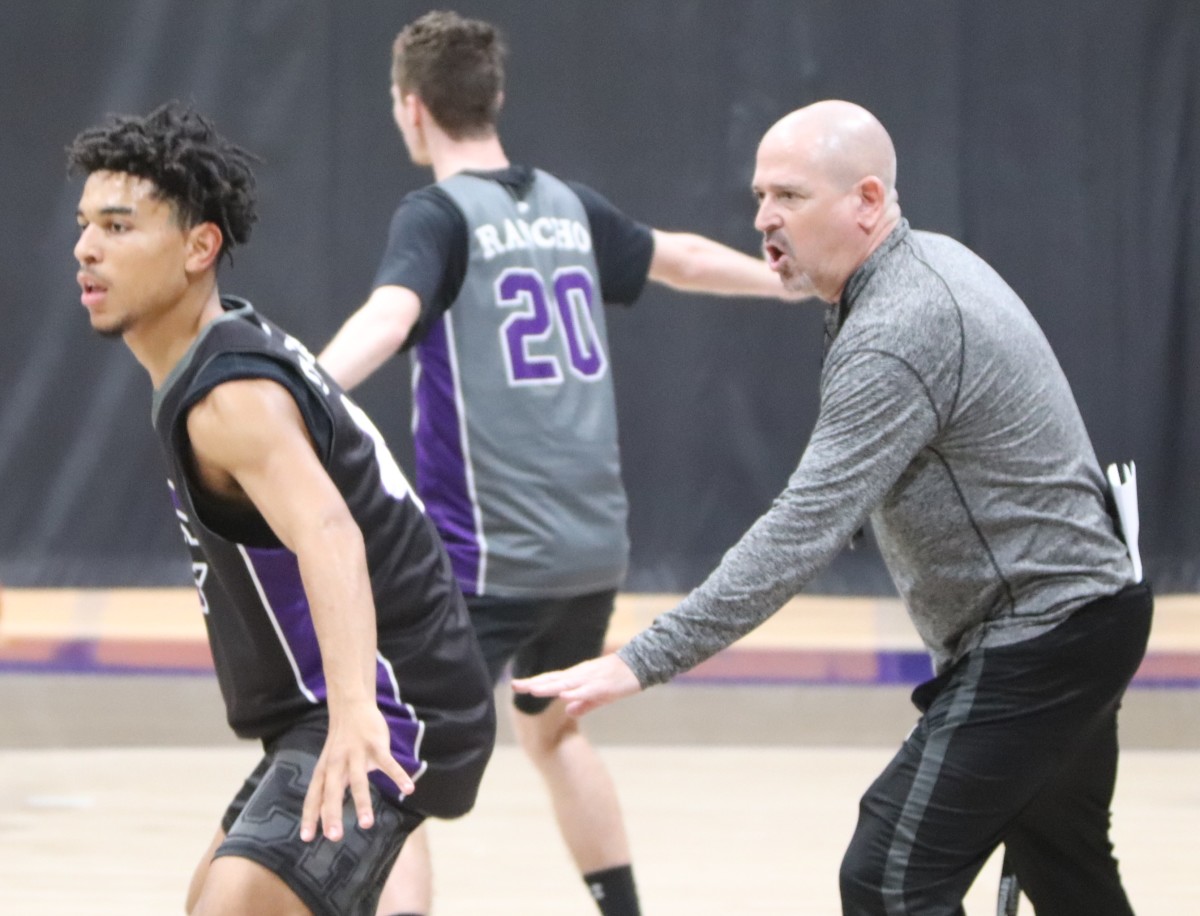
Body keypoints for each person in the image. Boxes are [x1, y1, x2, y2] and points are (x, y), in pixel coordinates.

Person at [514, 100, 1153, 916]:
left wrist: (639, 658)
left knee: (887, 879)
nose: (763, 219)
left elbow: (801, 529)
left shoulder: (900, 326)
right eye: (758, 197)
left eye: (789, 196)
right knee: (1069, 872)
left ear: (868, 200)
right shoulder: (920, 270)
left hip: (1042, 637)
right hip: (1080, 618)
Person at [316, 11, 796, 916]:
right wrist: (785, 279)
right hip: (590, 554)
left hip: (489, 561)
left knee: (387, 774)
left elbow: (388, 316)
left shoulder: (436, 215)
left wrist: (297, 392)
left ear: (411, 109)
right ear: (494, 98)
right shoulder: (569, 207)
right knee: (551, 729)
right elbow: (681, 258)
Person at [67, 101, 496, 916]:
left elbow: (329, 532)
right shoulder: (218, 349)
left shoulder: (230, 400)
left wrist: (357, 719)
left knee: (234, 905)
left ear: (200, 247)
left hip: (393, 704)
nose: (86, 247)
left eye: (119, 227)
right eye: (86, 224)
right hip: (371, 693)